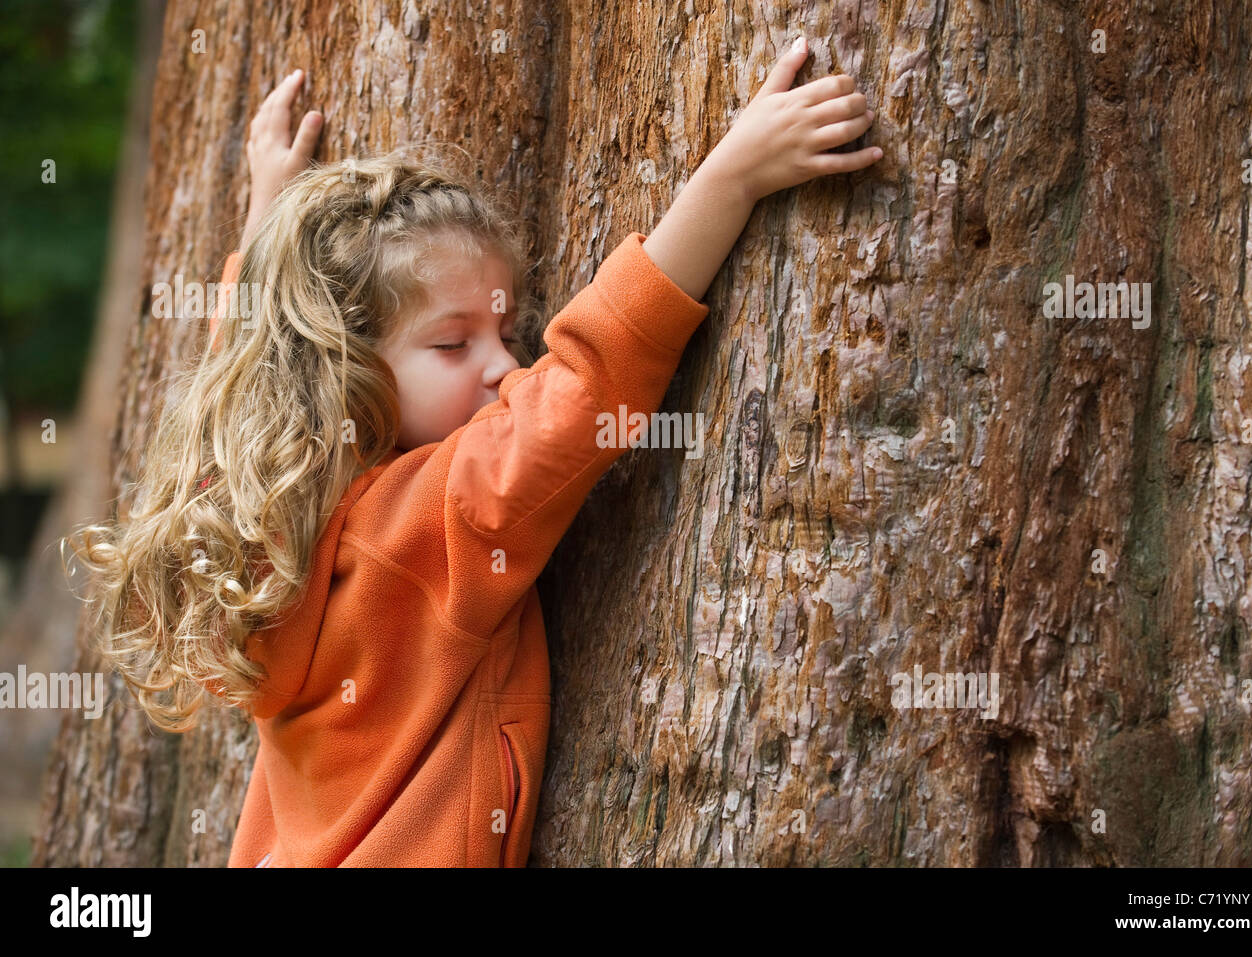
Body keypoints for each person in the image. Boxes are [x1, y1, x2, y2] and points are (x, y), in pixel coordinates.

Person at [61, 36, 884, 866]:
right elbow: (581, 390)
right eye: (453, 345)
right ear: (342, 369)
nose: (505, 363)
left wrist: (268, 215)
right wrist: (731, 178)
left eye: (506, 328)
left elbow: (252, 365)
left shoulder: (257, 529)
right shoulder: (428, 519)